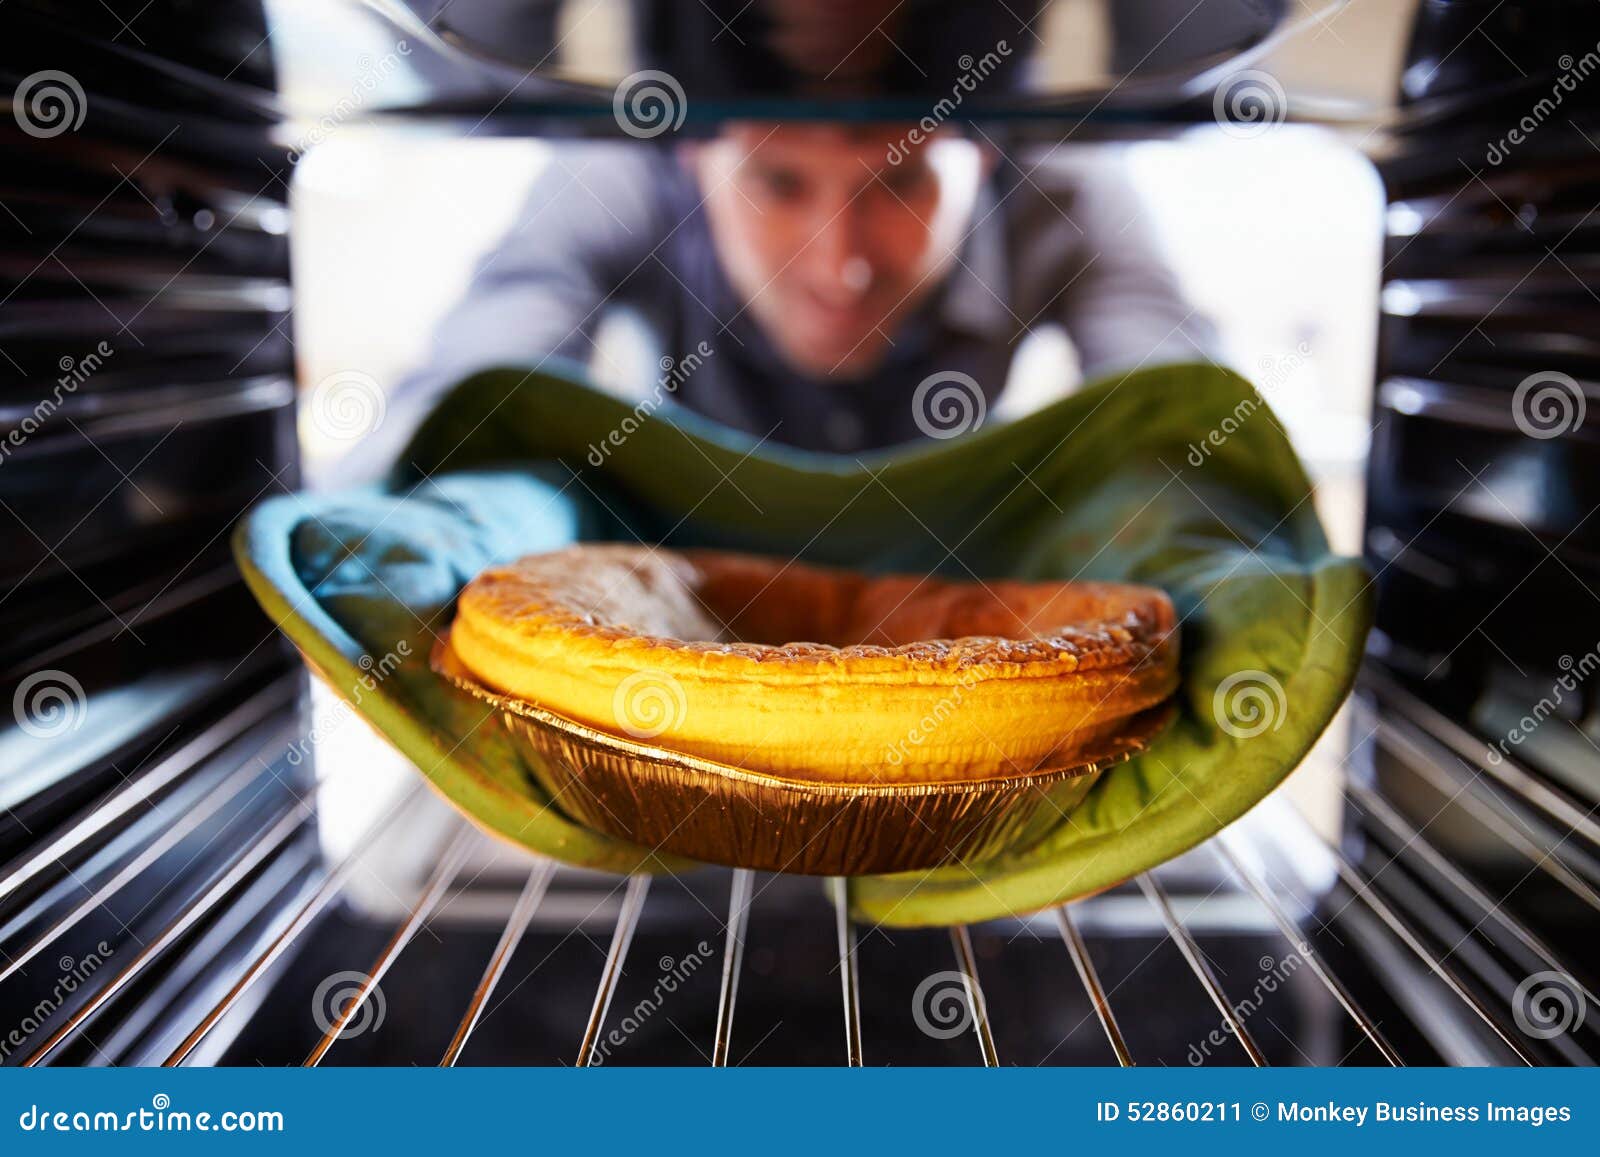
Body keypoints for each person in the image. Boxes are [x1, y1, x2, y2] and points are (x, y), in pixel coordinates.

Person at [374, 122, 1214, 468]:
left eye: (901, 180)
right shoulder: (614, 174)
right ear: (695, 156)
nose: (838, 264)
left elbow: (1181, 430)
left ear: (985, 153)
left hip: (952, 613)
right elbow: (477, 401)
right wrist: (454, 508)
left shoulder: (1068, 193)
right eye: (779, 183)